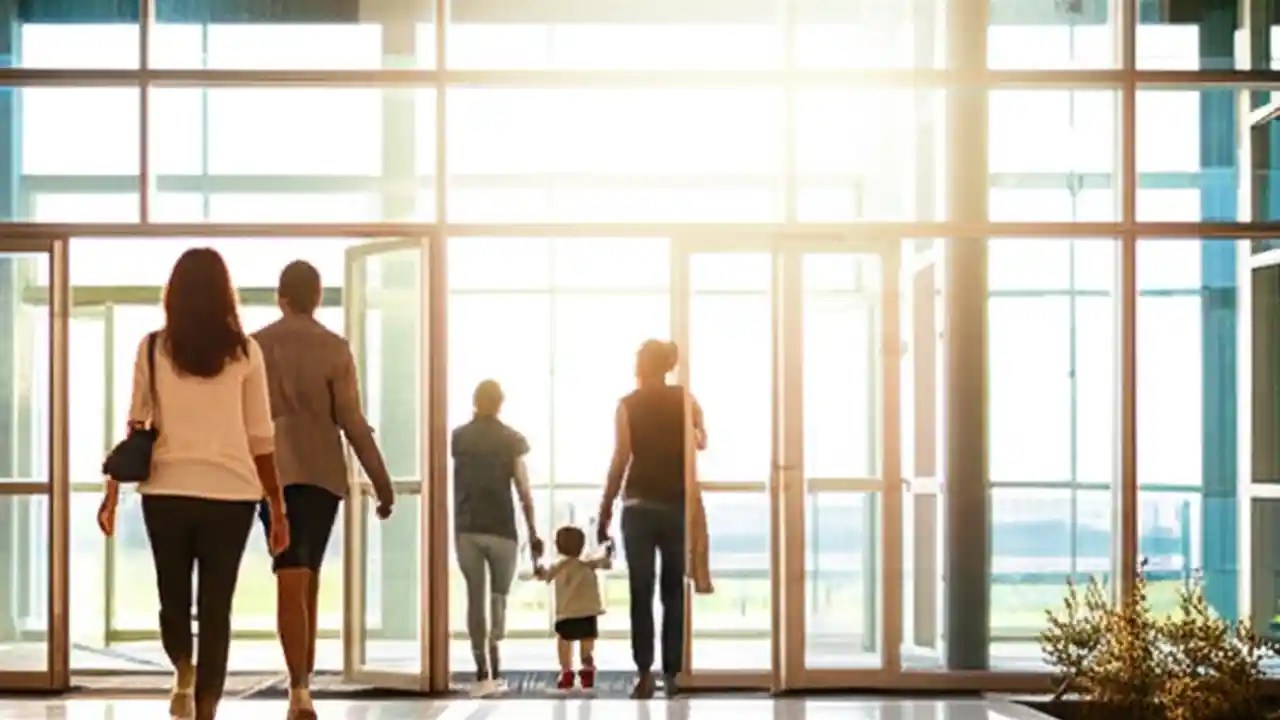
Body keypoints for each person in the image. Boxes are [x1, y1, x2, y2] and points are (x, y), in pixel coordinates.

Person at [96, 248, 289, 720]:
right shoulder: (246, 352)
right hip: (233, 496)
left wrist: (112, 495)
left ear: (173, 293)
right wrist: (277, 509)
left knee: (173, 597)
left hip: (166, 492)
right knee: (217, 608)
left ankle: (183, 671)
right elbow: (260, 436)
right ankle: (206, 710)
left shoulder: (152, 348)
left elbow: (136, 427)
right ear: (225, 293)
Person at [253, 260, 396, 719]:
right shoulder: (334, 348)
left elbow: (244, 418)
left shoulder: (255, 346)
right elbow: (351, 421)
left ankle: (300, 687)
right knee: (305, 576)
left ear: (282, 295)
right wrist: (381, 480)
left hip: (272, 471)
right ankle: (302, 684)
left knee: (290, 575)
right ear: (317, 297)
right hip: (322, 474)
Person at [597, 339, 712, 699]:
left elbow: (621, 459)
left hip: (638, 507)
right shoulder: (686, 400)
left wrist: (605, 509)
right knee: (672, 592)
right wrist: (691, 433)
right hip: (675, 506)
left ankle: (644, 674)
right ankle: (672, 675)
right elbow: (702, 440)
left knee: (640, 591)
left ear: (643, 366)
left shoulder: (627, 405)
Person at [452, 379, 543, 696]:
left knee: (475, 597)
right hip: (502, 528)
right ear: (500, 403)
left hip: (466, 527)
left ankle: (481, 665)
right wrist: (533, 533)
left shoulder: (458, 438)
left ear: (475, 401)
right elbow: (523, 489)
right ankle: (494, 655)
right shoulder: (511, 440)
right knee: (498, 597)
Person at [534, 525, 613, 691]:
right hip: (588, 612)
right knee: (587, 642)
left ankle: (566, 671)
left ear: (558, 546)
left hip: (566, 613)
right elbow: (606, 562)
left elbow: (543, 575)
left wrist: (536, 564)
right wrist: (609, 548)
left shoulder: (559, 566)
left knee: (564, 642)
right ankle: (587, 669)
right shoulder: (588, 563)